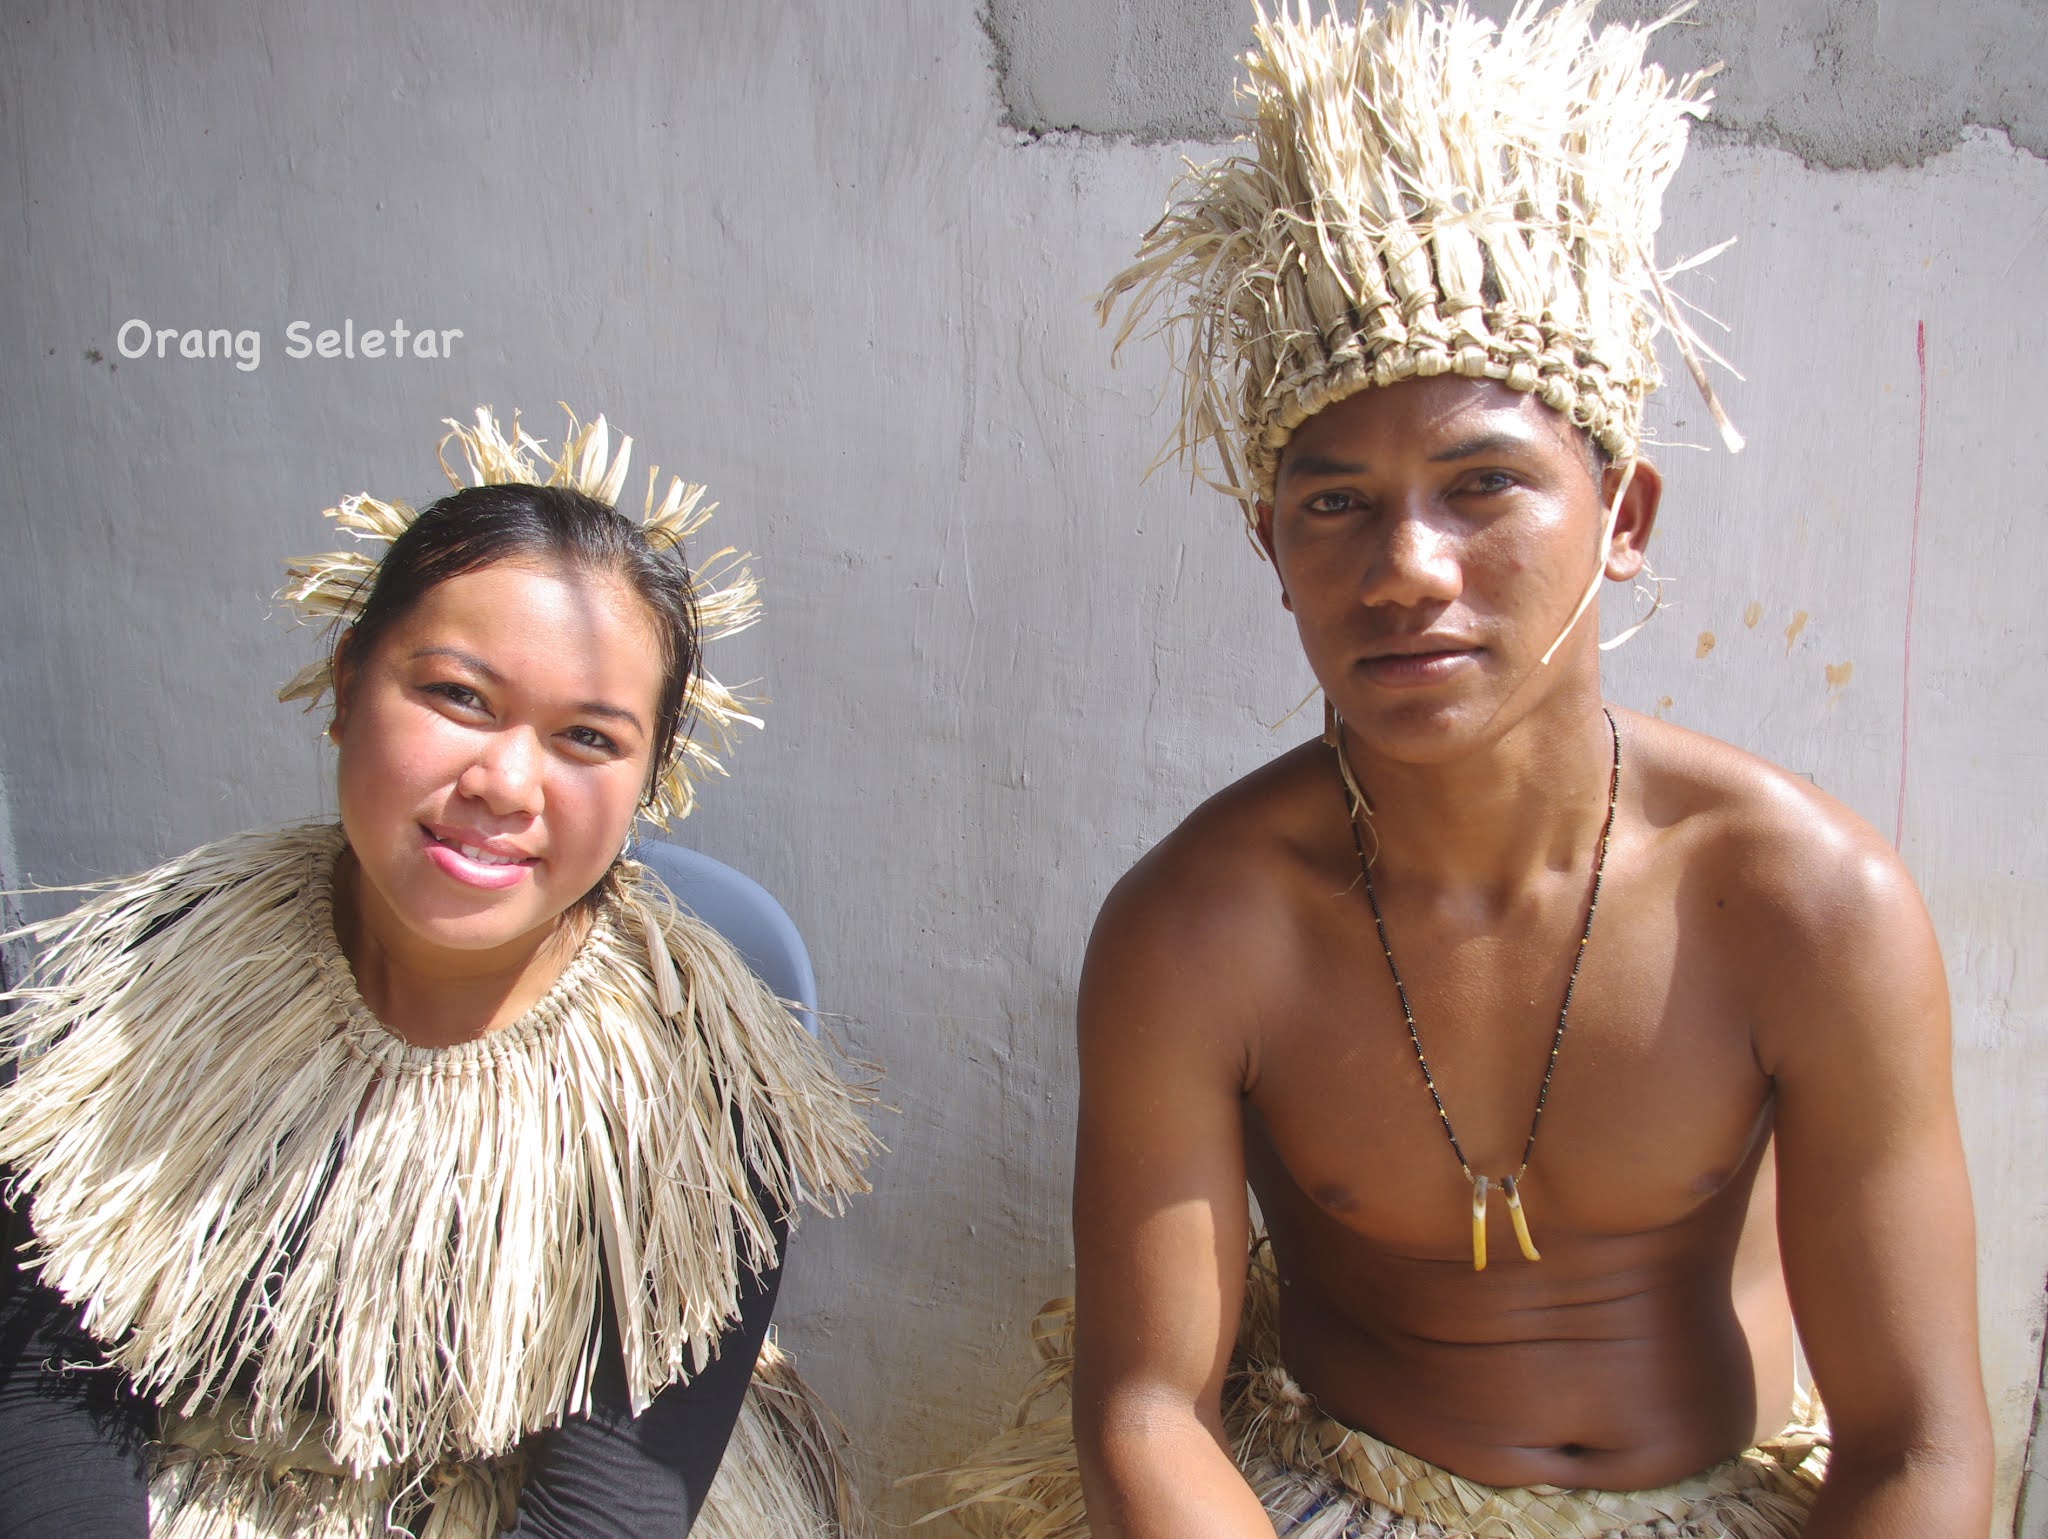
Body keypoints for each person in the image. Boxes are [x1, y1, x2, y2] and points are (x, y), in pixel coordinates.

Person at [937, 4, 1991, 1537]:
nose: (1406, 568)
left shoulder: (1808, 904)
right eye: (1336, 505)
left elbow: (1918, 1448)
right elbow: (1147, 1409)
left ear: (1623, 516)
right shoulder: (1199, 925)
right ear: (1272, 550)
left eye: (1484, 483)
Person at [0, 407, 877, 1539]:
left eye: (588, 739)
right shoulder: (147, 984)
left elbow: (601, 1514)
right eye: (459, 696)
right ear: (345, 680)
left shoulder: (703, 1092)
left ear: (650, 777)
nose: (507, 783)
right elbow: (51, 1384)